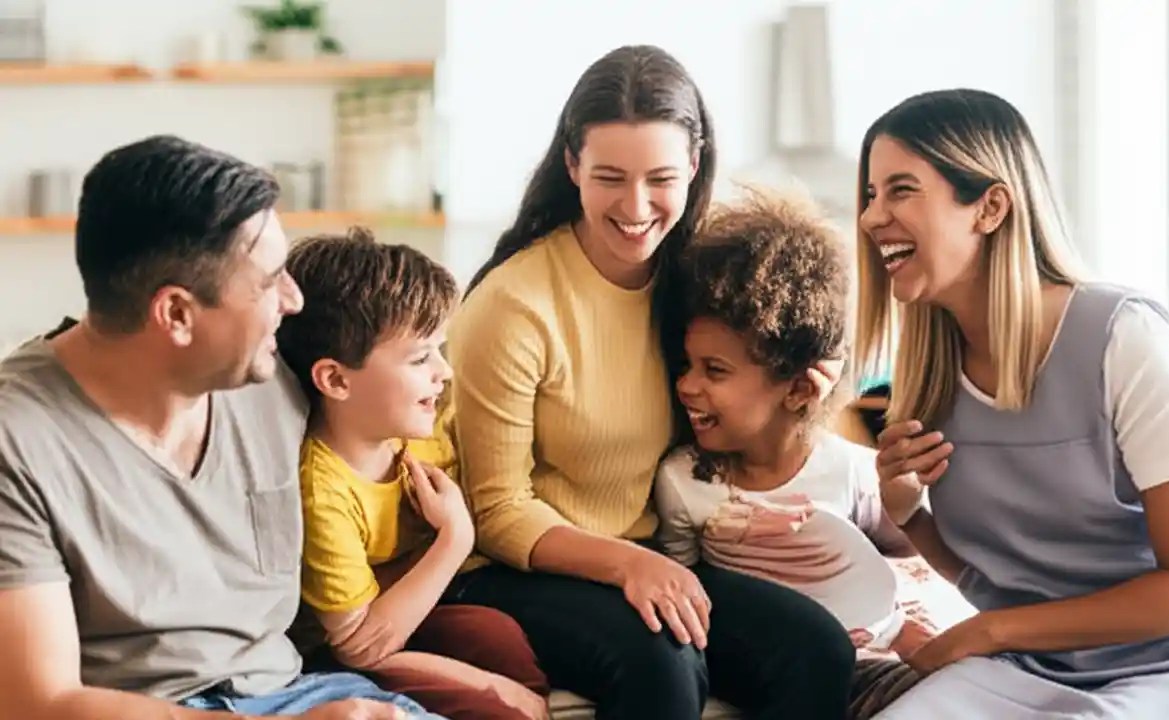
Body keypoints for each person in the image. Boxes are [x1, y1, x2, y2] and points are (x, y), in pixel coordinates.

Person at [443, 45, 855, 719]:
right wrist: (629, 565)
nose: (636, 207)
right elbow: (495, 512)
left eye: (660, 178)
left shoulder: (692, 279)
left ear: (695, 165)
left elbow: (780, 363)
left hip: (645, 553)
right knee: (663, 664)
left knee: (816, 649)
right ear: (572, 165)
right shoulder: (513, 305)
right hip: (511, 571)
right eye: (609, 176)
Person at [853, 89, 1169, 719]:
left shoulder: (1121, 338)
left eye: (900, 190)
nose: (869, 218)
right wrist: (910, 513)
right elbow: (1000, 577)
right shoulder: (931, 376)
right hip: (1043, 664)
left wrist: (991, 634)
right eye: (869, 195)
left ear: (990, 207)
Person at [0, 135, 437, 720]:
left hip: (298, 692)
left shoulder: (274, 372)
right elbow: (39, 703)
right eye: (270, 280)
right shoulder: (19, 441)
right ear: (176, 314)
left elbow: (398, 384)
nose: (295, 299)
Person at [651, 189, 931, 720]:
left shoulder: (846, 468)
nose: (687, 386)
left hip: (863, 656)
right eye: (686, 365)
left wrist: (908, 498)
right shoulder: (685, 480)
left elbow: (904, 545)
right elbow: (684, 591)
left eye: (715, 371)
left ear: (799, 390)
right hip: (765, 661)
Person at [274, 229, 550, 720]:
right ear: (335, 379)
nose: (443, 372)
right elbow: (358, 647)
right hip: (349, 652)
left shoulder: (417, 430)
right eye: (421, 357)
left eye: (439, 350)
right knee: (501, 704)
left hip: (411, 613)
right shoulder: (322, 490)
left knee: (498, 640)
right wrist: (454, 537)